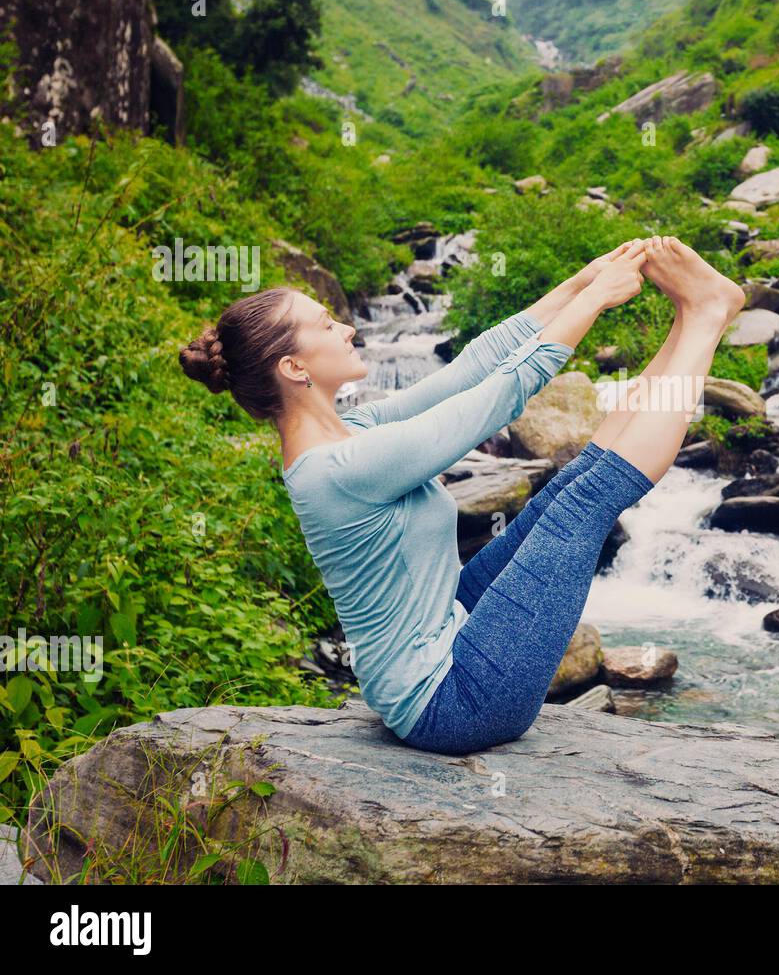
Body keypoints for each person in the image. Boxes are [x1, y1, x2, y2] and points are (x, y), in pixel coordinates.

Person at [180, 235, 744, 754]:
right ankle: (705, 318)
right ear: (294, 366)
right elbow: (497, 399)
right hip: (454, 704)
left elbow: (472, 369)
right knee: (584, 502)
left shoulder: (358, 430)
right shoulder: (340, 468)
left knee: (562, 490)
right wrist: (591, 302)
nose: (347, 328)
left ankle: (693, 316)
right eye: (327, 325)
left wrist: (579, 282)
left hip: (449, 630)